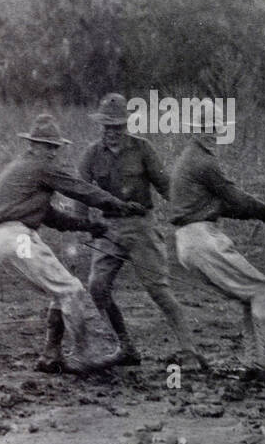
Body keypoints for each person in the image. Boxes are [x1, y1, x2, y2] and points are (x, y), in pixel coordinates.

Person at [0, 114, 144, 373]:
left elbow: (52, 217)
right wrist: (120, 205)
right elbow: (80, 189)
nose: (51, 152)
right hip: (17, 237)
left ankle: (51, 354)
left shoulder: (23, 169)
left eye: (55, 147)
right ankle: (83, 354)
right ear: (32, 145)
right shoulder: (40, 167)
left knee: (59, 291)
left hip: (4, 240)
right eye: (47, 146)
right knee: (71, 290)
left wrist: (88, 226)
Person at [169, 123, 265, 382]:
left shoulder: (190, 158)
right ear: (193, 130)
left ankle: (255, 360)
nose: (210, 133)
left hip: (188, 241)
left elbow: (224, 205)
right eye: (204, 128)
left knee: (249, 295)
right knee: (262, 290)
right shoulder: (203, 161)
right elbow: (235, 198)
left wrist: (261, 215)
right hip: (201, 237)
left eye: (213, 128)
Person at [78, 92, 207, 368]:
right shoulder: (91, 154)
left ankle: (189, 352)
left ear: (127, 125)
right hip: (108, 228)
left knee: (158, 289)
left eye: (117, 126)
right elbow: (82, 192)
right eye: (107, 126)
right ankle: (124, 347)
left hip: (141, 227)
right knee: (97, 287)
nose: (112, 132)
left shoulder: (142, 149)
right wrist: (86, 226)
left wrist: (189, 213)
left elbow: (165, 185)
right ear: (101, 126)